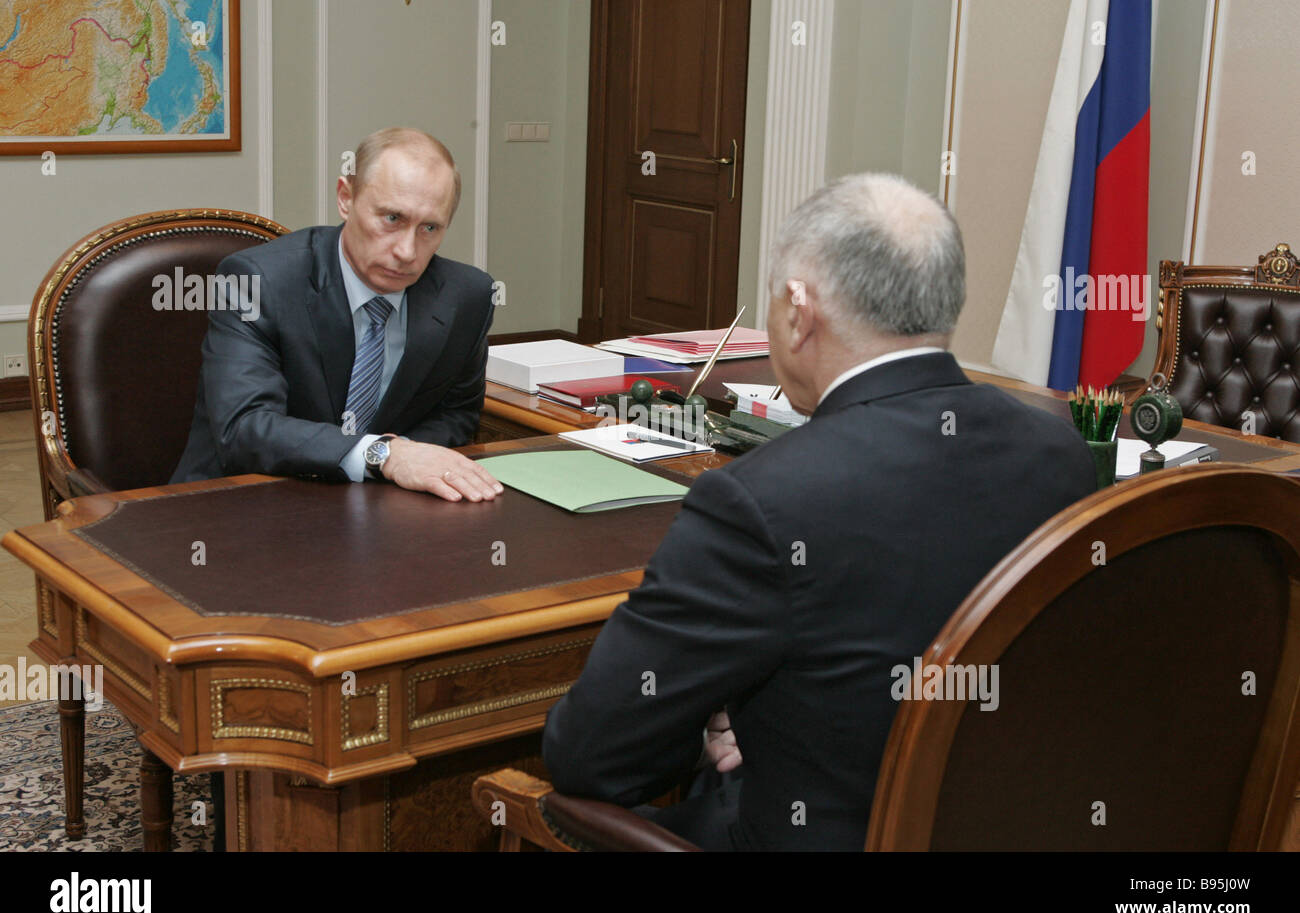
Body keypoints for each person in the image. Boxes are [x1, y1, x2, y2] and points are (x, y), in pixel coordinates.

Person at [541, 173, 1097, 851]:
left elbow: (590, 756)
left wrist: (707, 720)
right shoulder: (1060, 453)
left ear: (799, 311)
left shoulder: (762, 500)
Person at [172, 126, 503, 502]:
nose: (408, 251)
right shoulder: (259, 281)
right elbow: (245, 428)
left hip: (382, 510)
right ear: (345, 198)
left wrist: (403, 458)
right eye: (392, 218)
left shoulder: (467, 297)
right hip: (242, 503)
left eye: (430, 227)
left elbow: (457, 415)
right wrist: (384, 455)